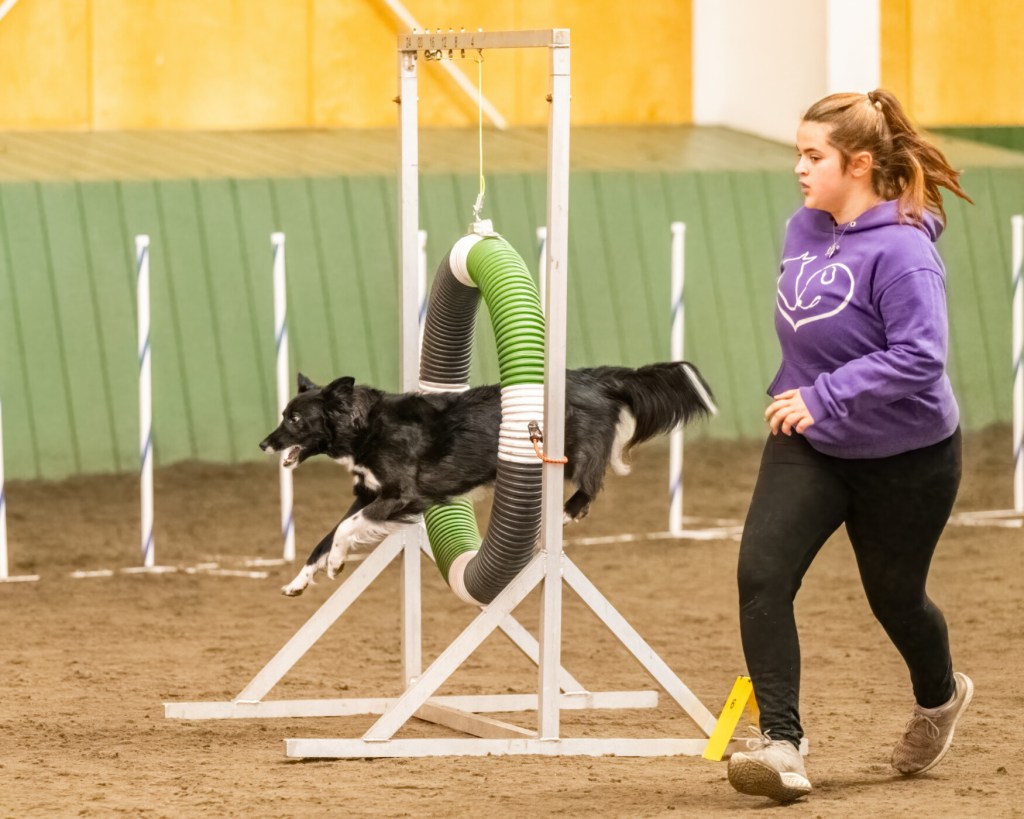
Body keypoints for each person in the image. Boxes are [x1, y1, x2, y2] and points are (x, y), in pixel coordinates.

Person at [726, 88, 975, 803]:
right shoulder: (802, 226)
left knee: (896, 597)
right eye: (797, 154)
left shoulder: (903, 252)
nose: (800, 169)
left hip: (910, 457)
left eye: (813, 156)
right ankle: (782, 744)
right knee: (762, 574)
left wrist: (825, 393)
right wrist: (809, 400)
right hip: (812, 441)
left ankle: (939, 697)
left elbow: (920, 355)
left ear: (859, 164)